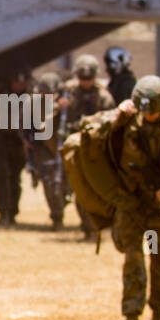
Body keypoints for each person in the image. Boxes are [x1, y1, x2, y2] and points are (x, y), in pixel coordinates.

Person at [81, 76, 160, 320]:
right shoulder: (126, 123)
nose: (147, 116)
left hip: (158, 213)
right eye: (143, 111)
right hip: (132, 207)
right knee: (133, 259)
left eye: (152, 111)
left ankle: (158, 317)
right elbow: (90, 133)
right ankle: (131, 317)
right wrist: (117, 116)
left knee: (159, 260)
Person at [60, 54, 117, 239]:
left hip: (96, 150)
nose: (85, 82)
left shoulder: (104, 97)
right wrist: (59, 106)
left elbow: (111, 122)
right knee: (79, 189)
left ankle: (95, 226)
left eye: (89, 77)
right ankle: (87, 227)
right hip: (73, 148)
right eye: (82, 78)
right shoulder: (67, 93)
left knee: (96, 189)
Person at [0, 69, 30, 227]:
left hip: (17, 142)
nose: (19, 85)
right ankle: (3, 212)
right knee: (2, 176)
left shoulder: (30, 97)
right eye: (17, 82)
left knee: (15, 177)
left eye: (22, 82)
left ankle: (13, 213)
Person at [30, 71, 69, 229]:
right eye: (45, 94)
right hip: (43, 151)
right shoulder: (34, 105)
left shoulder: (66, 103)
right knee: (50, 184)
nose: (49, 97)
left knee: (66, 186)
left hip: (63, 149)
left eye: (52, 93)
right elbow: (26, 127)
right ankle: (57, 218)